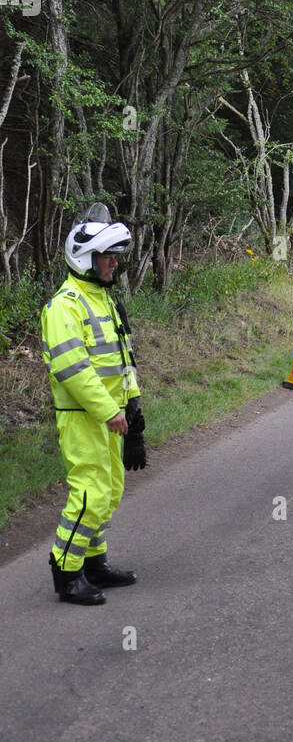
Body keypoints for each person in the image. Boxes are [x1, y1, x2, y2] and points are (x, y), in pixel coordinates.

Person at [40, 203, 144, 606]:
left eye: (115, 256)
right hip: (84, 418)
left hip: (110, 417)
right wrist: (111, 411)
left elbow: (123, 359)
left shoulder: (102, 300)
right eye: (108, 257)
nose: (114, 264)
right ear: (86, 258)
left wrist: (133, 406)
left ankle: (94, 562)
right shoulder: (64, 306)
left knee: (109, 491)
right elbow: (74, 369)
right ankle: (66, 572)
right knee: (90, 494)